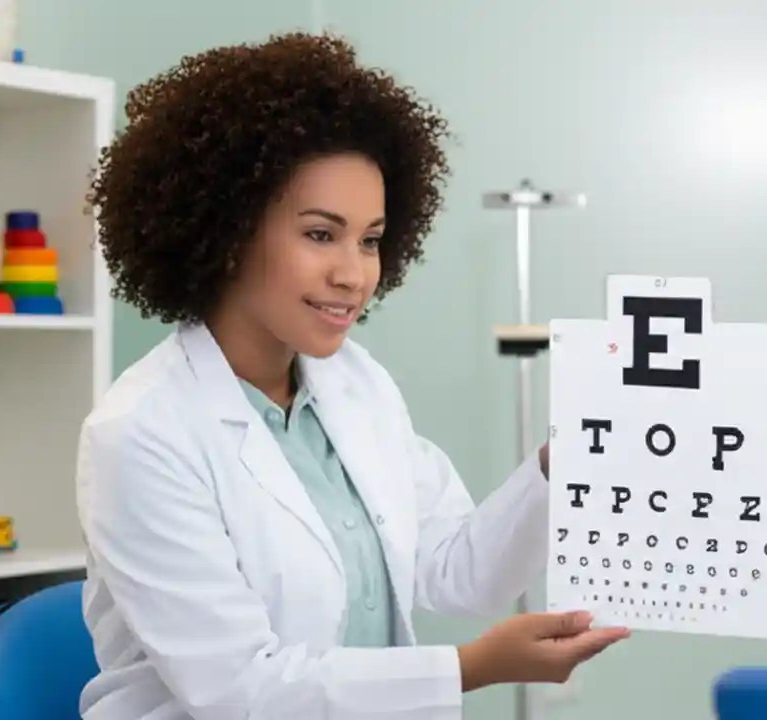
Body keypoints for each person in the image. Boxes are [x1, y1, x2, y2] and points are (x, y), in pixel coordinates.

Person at [75, 32, 628, 719]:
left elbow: (459, 570)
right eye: (319, 234)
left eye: (369, 239)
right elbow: (239, 691)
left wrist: (559, 465)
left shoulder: (354, 384)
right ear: (226, 232)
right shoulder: (141, 433)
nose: (354, 273)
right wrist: (471, 669)